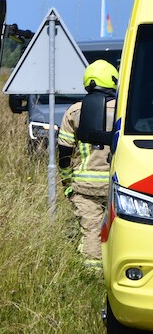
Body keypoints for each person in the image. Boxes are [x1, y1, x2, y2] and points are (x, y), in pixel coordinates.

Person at [57, 60, 120, 266]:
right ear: (113, 80)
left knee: (91, 230)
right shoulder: (124, 109)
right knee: (121, 230)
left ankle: (92, 274)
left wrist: (67, 183)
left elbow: (64, 153)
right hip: (118, 184)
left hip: (85, 186)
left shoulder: (74, 112)